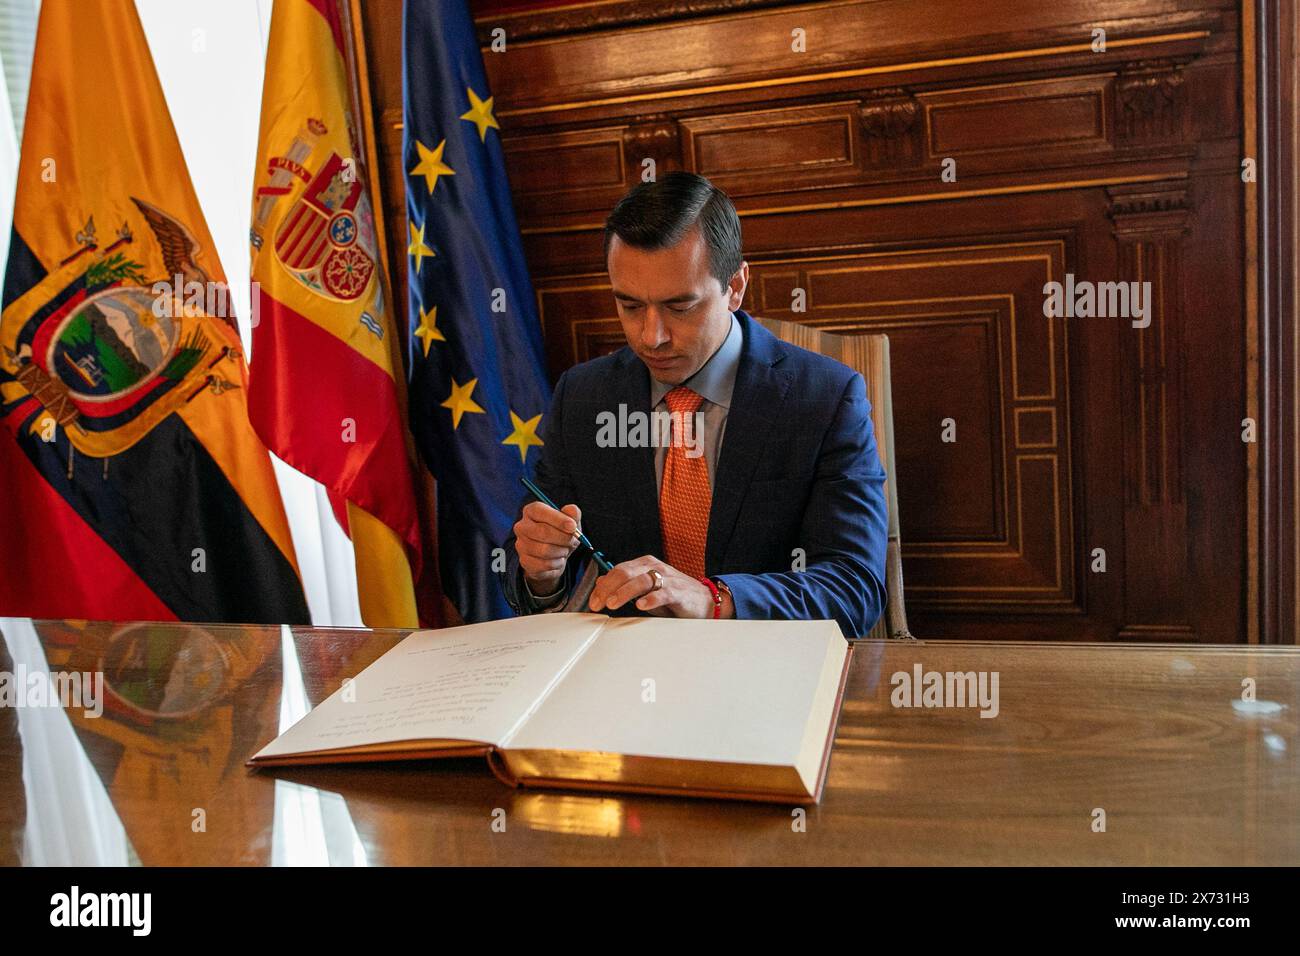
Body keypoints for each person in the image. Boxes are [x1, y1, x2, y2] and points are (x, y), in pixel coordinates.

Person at [500, 172, 889, 637]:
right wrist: (542, 575)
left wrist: (712, 598)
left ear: (736, 285)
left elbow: (854, 587)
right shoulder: (583, 397)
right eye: (630, 306)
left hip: (767, 663)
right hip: (629, 665)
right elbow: (528, 567)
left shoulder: (825, 397)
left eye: (680, 307)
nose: (652, 337)